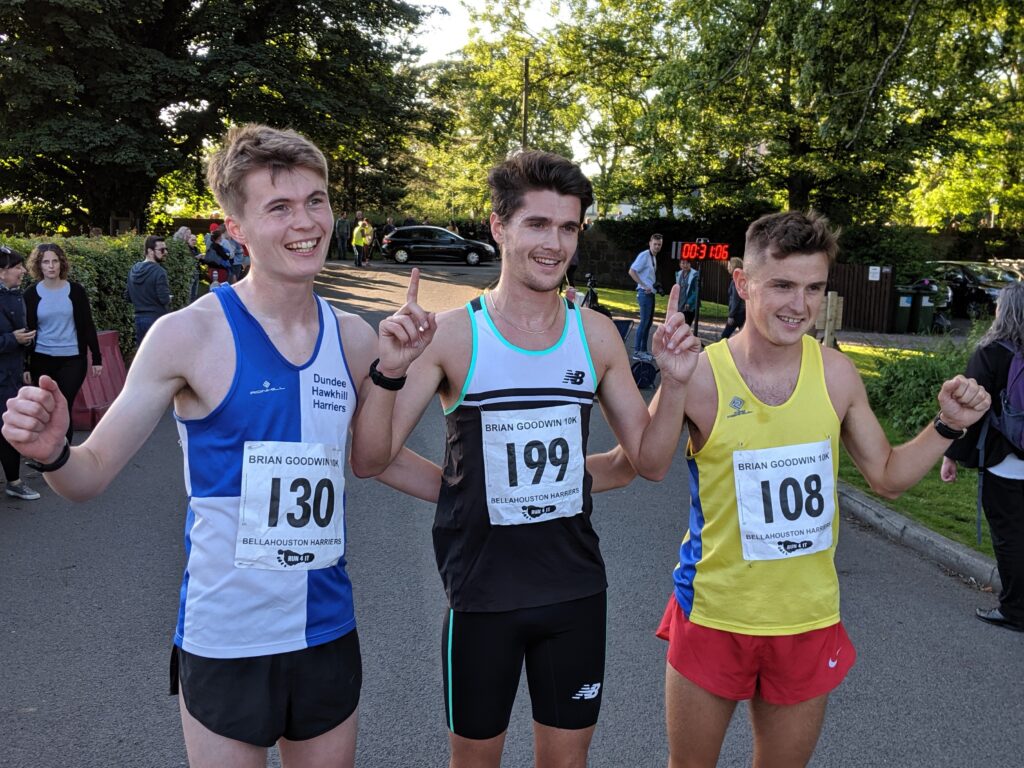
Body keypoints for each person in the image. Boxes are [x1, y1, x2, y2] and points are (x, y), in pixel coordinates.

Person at [2, 124, 441, 768]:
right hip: (226, 635)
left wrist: (464, 485)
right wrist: (53, 452)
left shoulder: (355, 338)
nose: (307, 223)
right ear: (235, 227)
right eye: (280, 207)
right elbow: (89, 474)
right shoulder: (189, 335)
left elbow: (373, 459)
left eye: (316, 200)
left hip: (326, 625)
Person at [630, 210, 991, 768]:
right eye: (781, 285)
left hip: (806, 618)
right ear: (743, 281)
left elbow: (888, 478)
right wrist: (673, 383)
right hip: (713, 613)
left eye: (814, 288)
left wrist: (947, 426)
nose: (799, 305)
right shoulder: (700, 372)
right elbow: (651, 465)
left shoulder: (837, 374)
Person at [350, 150, 656, 768]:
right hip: (483, 598)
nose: (555, 244)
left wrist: (673, 383)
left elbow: (641, 461)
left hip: (575, 593)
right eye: (537, 224)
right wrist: (389, 373)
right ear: (498, 226)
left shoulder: (595, 335)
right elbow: (369, 458)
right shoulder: (451, 335)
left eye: (568, 227)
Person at [942, 281, 1024, 632]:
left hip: (1005, 463)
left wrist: (951, 455)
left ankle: (1015, 611)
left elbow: (968, 413)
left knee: (1009, 537)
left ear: (1003, 312)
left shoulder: (990, 354)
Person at [25, 243, 102, 444]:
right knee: (45, 405)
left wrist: (97, 357)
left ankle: (63, 449)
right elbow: (27, 331)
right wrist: (25, 364)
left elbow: (87, 325)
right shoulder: (31, 294)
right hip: (41, 358)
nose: (51, 266)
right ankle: (46, 449)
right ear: (39, 266)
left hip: (73, 358)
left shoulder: (75, 291)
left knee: (63, 403)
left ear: (61, 264)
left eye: (55, 261)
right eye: (46, 262)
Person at [0, 245, 40, 501]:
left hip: (11, 376)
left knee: (8, 427)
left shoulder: (15, 295)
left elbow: (21, 333)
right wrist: (12, 339)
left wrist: (26, 357)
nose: (23, 271)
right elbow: (12, 337)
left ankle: (13, 481)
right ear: (1, 272)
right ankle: (14, 481)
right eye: (16, 267)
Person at [124, 235, 171, 345]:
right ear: (150, 251)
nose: (165, 253)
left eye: (166, 249)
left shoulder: (134, 269)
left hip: (139, 320)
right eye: (162, 250)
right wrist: (168, 297)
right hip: (157, 319)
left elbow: (128, 296)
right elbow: (164, 300)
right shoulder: (159, 272)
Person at [628, 233, 662, 361]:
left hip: (650, 293)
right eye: (655, 244)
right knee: (643, 323)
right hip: (644, 293)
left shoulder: (653, 257)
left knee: (648, 323)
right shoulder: (644, 256)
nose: (657, 246)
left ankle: (643, 350)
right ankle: (637, 351)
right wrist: (643, 285)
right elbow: (632, 271)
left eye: (659, 245)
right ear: (650, 243)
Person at [720, 255, 746, 339]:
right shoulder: (743, 279)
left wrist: (731, 315)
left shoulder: (736, 281)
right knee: (743, 336)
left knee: (724, 336)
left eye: (729, 265)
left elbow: (735, 300)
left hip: (737, 314)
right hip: (743, 312)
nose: (728, 267)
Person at [675, 257, 699, 326]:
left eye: (687, 263)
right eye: (683, 263)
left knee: (686, 325)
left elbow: (696, 291)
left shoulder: (695, 274)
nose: (685, 265)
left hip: (689, 306)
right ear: (680, 264)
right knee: (678, 325)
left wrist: (689, 302)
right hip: (680, 304)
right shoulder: (678, 274)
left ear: (690, 264)